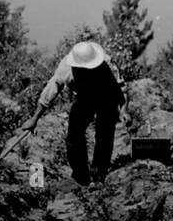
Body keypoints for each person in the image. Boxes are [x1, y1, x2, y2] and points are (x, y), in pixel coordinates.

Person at [23, 40, 126, 187]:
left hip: (106, 96)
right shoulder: (65, 69)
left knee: (104, 134)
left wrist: (123, 110)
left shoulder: (107, 65)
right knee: (74, 133)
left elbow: (120, 89)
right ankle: (80, 175)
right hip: (85, 97)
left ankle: (99, 176)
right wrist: (34, 119)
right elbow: (50, 92)